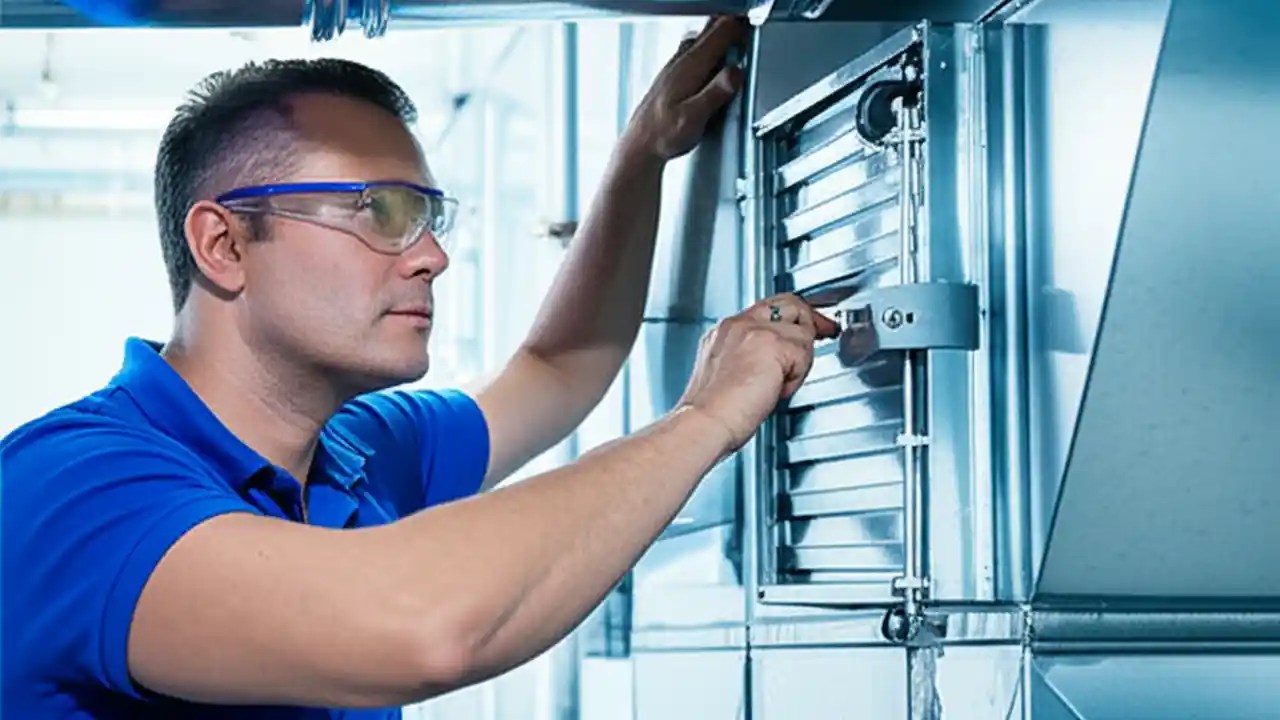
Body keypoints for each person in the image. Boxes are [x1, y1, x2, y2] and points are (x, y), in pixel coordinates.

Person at [0, 15, 837, 719]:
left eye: (430, 217)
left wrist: (643, 155)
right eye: (383, 212)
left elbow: (554, 372)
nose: (432, 256)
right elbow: (425, 626)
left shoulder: (360, 454)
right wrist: (705, 420)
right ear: (223, 245)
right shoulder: (71, 490)